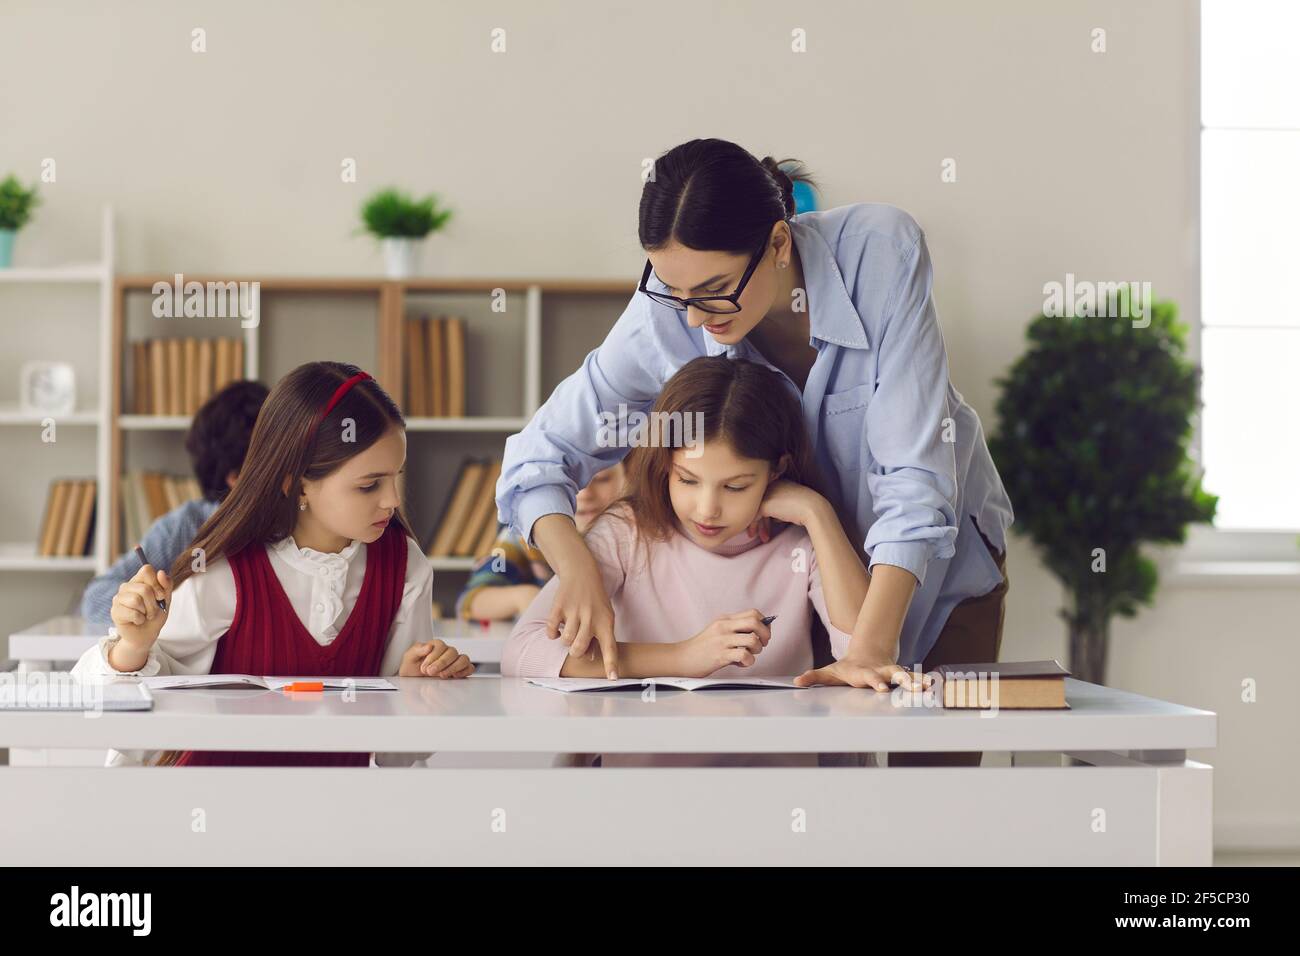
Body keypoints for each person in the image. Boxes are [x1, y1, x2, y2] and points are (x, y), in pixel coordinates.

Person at [496, 138, 1014, 767]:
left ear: (777, 242)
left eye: (714, 290)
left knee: (933, 796)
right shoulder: (672, 306)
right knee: (835, 805)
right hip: (794, 579)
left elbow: (915, 480)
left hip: (929, 566)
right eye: (673, 290)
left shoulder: (882, 252)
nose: (692, 320)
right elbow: (538, 455)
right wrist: (576, 568)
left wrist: (868, 649)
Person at [72, 361, 473, 767]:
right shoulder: (224, 570)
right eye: (369, 484)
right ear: (295, 482)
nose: (392, 500)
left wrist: (415, 691)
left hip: (332, 817)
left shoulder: (406, 566)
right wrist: (134, 647)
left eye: (395, 477)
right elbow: (137, 737)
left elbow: (395, 755)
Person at [80, 380, 268, 630]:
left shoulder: (303, 520)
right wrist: (159, 609)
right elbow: (95, 598)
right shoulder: (188, 525)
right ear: (236, 478)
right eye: (273, 456)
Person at [455, 463, 624, 622]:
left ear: (628, 479)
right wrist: (522, 596)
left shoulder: (638, 539)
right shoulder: (522, 537)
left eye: (602, 479)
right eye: (569, 482)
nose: (586, 493)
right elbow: (469, 601)